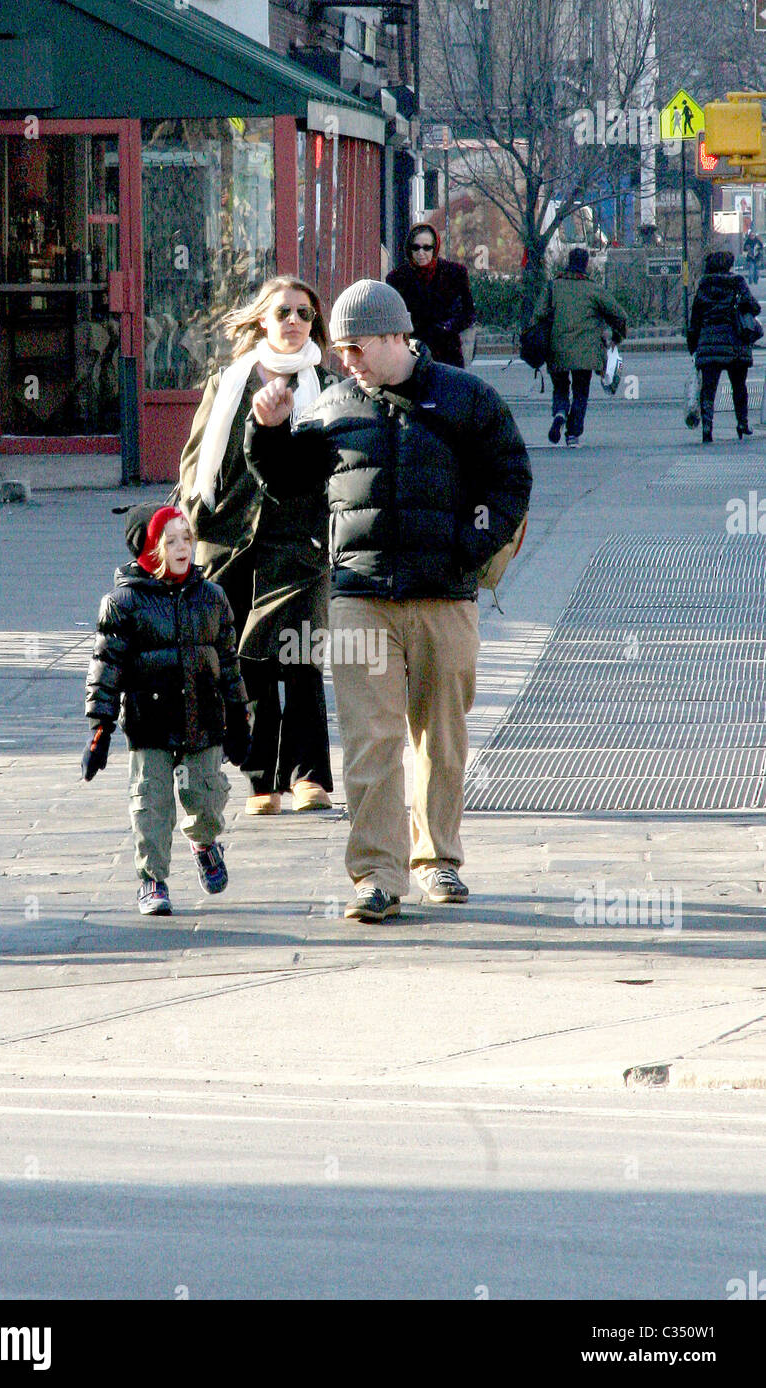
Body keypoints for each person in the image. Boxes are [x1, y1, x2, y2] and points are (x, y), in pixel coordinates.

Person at [245, 280, 531, 923]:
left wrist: (472, 540)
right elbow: (287, 482)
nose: (344, 359)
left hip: (445, 595)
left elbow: (511, 472)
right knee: (371, 741)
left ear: (394, 336)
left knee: (442, 738)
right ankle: (376, 873)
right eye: (339, 347)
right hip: (358, 595)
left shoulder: (465, 397)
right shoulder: (334, 405)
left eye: (354, 346)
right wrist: (267, 432)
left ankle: (439, 862)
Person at [178, 275, 337, 817]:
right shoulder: (228, 382)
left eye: (304, 313)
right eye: (283, 312)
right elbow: (196, 460)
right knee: (248, 662)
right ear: (262, 321)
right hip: (230, 540)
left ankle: (310, 776)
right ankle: (261, 780)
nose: (294, 321)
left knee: (300, 655)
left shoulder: (328, 384)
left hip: (301, 541)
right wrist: (190, 523)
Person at [82, 504, 250, 916]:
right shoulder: (124, 603)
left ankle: (205, 843)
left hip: (203, 721)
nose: (182, 548)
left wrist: (239, 715)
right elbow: (106, 667)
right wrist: (100, 729)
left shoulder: (212, 598)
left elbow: (228, 662)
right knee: (151, 805)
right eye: (170, 540)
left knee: (206, 802)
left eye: (187, 539)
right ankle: (152, 879)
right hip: (149, 723)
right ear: (149, 550)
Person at [533, 247, 627, 447]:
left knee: (560, 387)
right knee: (580, 391)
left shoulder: (553, 287)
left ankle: (559, 412)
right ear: (585, 265)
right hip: (586, 352)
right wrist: (617, 337)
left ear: (567, 262)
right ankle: (573, 433)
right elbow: (619, 315)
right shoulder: (593, 289)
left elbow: (538, 316)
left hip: (556, 349)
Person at [688, 248, 761, 443]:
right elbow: (754, 307)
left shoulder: (703, 287)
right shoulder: (737, 283)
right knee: (738, 386)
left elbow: (694, 321)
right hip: (735, 343)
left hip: (709, 344)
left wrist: (693, 347)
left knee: (709, 389)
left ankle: (707, 426)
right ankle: (742, 422)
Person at [386, 223, 476, 367]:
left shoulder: (455, 273)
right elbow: (392, 317)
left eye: (427, 248)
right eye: (415, 247)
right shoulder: (397, 278)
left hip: (447, 351)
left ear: (435, 248)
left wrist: (449, 327)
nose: (421, 253)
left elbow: (468, 313)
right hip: (411, 352)